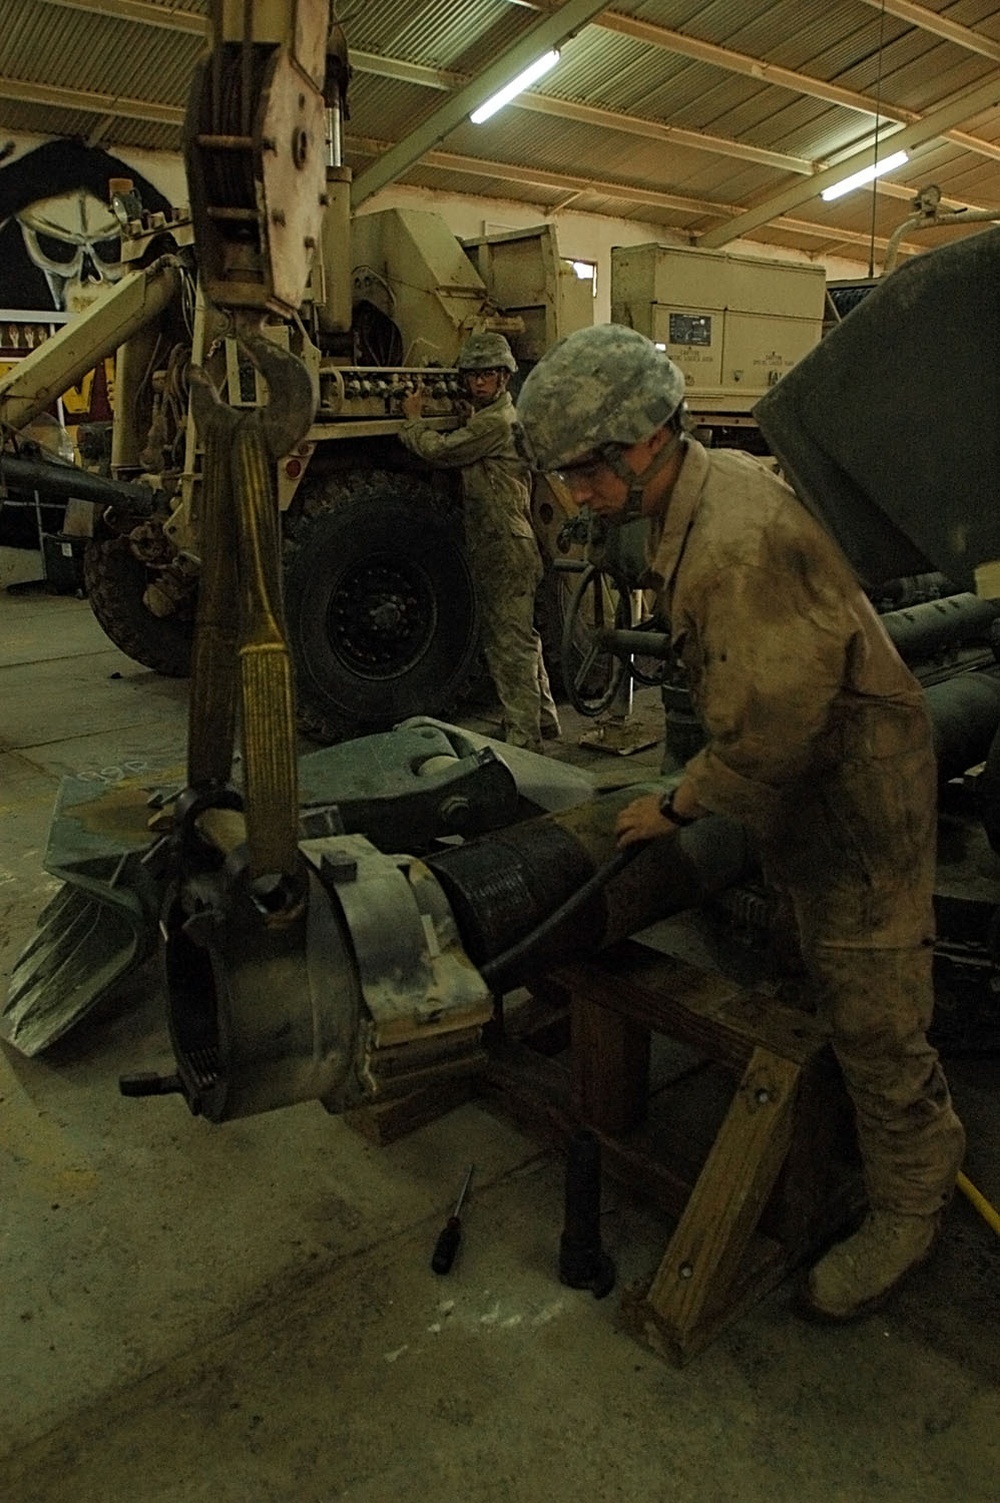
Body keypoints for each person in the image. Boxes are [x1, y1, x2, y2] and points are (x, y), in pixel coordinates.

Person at [515, 323, 965, 1323]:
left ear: (644, 442)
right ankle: (843, 1099)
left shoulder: (733, 540)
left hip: (852, 790)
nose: (577, 496)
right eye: (565, 477)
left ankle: (909, 1197)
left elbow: (772, 732)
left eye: (586, 473)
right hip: (818, 780)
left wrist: (675, 804)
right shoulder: (701, 493)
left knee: (877, 1008)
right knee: (817, 956)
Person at [399, 331, 560, 753]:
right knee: (522, 636)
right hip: (511, 541)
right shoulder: (500, 417)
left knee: (508, 643)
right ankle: (542, 718)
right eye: (472, 375)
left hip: (503, 546)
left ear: (505, 377)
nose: (478, 383)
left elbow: (441, 451)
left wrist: (412, 421)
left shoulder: (496, 423)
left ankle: (525, 739)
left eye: (487, 375)